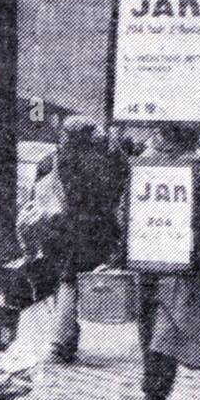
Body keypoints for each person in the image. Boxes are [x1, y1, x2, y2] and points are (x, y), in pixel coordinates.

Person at [126, 124, 200, 400]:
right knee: (168, 330)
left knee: (148, 328)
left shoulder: (141, 163)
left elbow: (123, 211)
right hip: (181, 263)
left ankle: (152, 395)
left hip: (145, 258)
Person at [48, 115, 128, 364]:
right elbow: (120, 182)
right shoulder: (102, 160)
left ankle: (63, 339)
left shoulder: (64, 158)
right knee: (80, 278)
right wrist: (116, 151)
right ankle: (65, 338)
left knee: (68, 280)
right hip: (102, 227)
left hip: (72, 226)